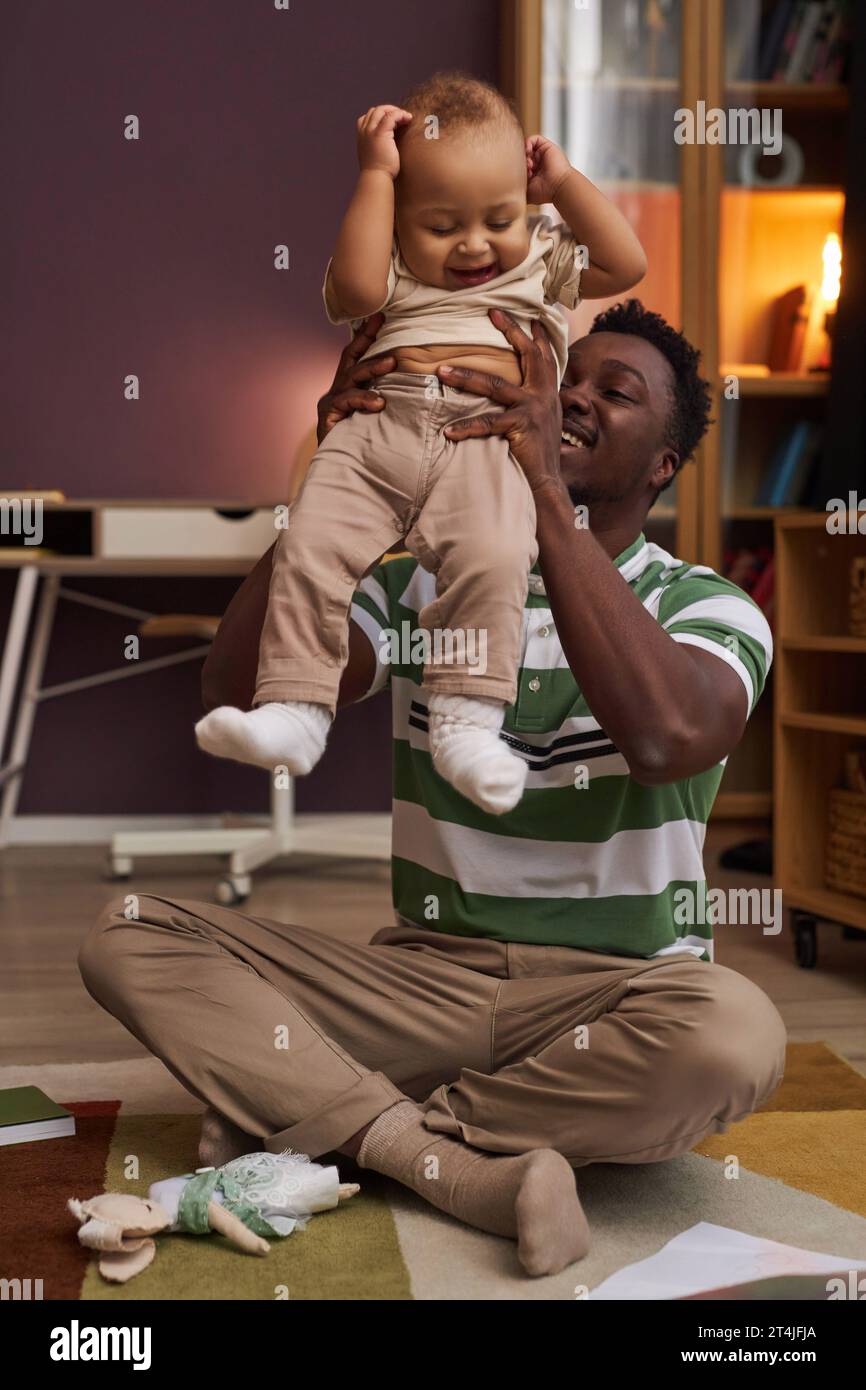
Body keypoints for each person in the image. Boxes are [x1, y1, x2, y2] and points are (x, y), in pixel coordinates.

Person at [78, 302, 787, 1279]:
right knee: (128, 930)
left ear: (662, 466)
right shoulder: (417, 586)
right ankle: (445, 1163)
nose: (568, 395)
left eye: (609, 393)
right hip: (420, 982)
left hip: (621, 996)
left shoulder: (705, 604)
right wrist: (333, 478)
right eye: (556, 375)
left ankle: (333, 1115)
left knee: (734, 1034)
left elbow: (667, 736)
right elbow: (237, 689)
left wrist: (537, 494)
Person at [194, 71, 646, 815]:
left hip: (485, 435)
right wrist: (376, 174)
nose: (475, 244)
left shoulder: (535, 261)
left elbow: (625, 263)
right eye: (442, 225)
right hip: (377, 425)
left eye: (499, 218)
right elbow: (362, 290)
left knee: (496, 555)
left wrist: (563, 184)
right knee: (311, 542)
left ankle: (467, 722)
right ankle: (298, 709)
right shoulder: (391, 258)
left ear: (524, 207)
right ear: (402, 217)